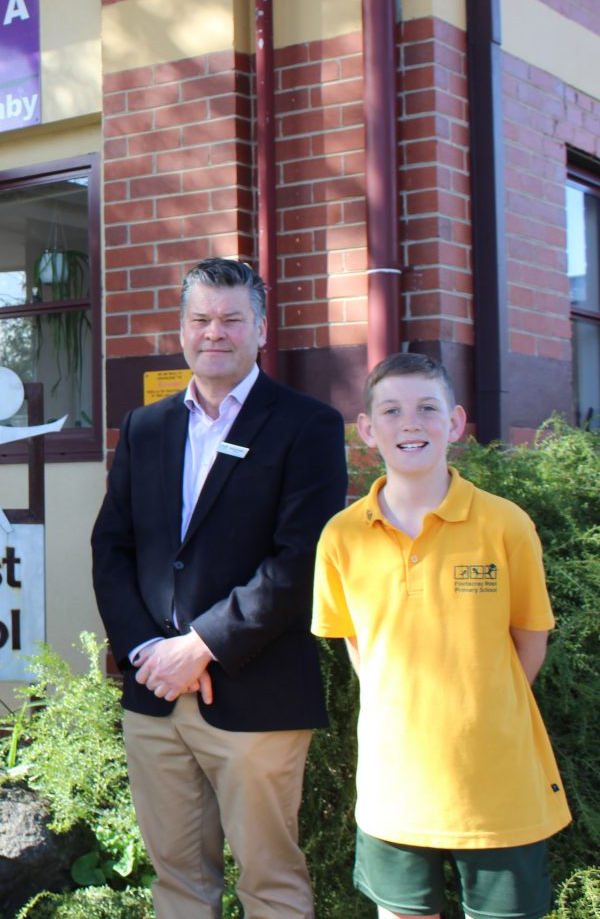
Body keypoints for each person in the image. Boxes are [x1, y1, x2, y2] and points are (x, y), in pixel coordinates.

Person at [91, 257, 347, 918]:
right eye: (201, 319)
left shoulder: (307, 425)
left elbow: (300, 562)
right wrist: (149, 649)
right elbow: (111, 547)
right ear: (181, 329)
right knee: (178, 887)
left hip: (257, 695)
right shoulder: (146, 427)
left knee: (272, 887)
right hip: (154, 695)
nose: (215, 333)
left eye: (232, 319)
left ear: (261, 328)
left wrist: (199, 647)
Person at [313, 353, 570, 919]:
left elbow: (531, 642)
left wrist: (480, 704)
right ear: (367, 428)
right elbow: (360, 649)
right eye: (392, 410)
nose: (410, 423)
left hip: (498, 782)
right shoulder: (341, 537)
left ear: (454, 423)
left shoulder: (506, 524)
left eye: (427, 408)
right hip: (394, 783)